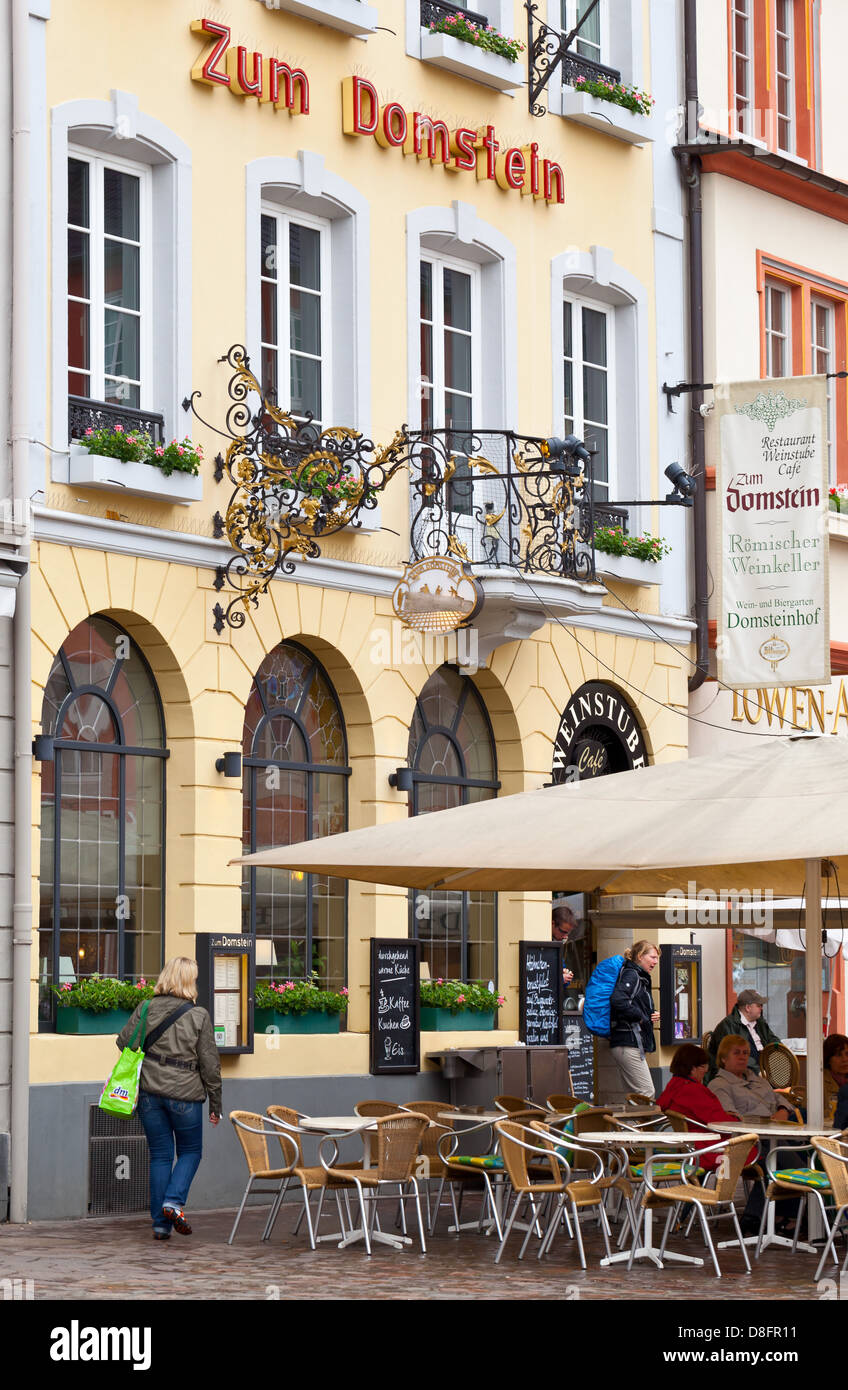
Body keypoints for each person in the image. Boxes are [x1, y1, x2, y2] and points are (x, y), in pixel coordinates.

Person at [116, 957, 222, 1241]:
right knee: (190, 1152)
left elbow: (124, 1042)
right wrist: (216, 1104)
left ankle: (160, 1226)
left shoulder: (146, 1007)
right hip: (185, 1096)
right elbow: (210, 1064)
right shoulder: (198, 1015)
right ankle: (173, 1202)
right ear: (189, 981)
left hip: (149, 1094)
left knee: (160, 1156)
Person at [657, 1043, 765, 1233]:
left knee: (769, 1158)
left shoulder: (673, 1086)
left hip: (696, 1148)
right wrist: (736, 1118)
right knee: (769, 1161)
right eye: (703, 1067)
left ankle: (760, 1214)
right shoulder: (693, 1091)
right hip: (714, 1152)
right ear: (693, 1068)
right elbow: (718, 1120)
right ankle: (758, 1216)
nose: (705, 1072)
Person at [609, 939, 660, 1100]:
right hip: (628, 1042)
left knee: (635, 1097)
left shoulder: (637, 976)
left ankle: (630, 1125)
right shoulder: (632, 974)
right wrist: (641, 1017)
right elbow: (618, 1000)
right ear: (639, 956)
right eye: (652, 957)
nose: (656, 962)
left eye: (657, 958)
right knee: (646, 1093)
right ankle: (635, 1126)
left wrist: (651, 1014)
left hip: (628, 1042)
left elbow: (633, 1003)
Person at [708, 1035, 794, 1121]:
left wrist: (783, 1110)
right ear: (723, 1058)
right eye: (736, 1053)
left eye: (745, 1053)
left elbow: (778, 1098)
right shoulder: (719, 1085)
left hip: (783, 1122)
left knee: (806, 1112)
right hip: (757, 1130)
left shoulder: (758, 1080)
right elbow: (731, 1120)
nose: (742, 1057)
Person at [706, 990, 781, 1080]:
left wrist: (779, 1054)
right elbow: (737, 1057)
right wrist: (759, 1072)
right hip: (738, 1077)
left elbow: (773, 1040)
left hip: (763, 1071)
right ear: (748, 1008)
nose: (761, 1008)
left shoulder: (760, 1023)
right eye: (758, 1005)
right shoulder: (728, 1026)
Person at [552, 899, 584, 988]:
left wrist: (565, 975)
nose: (565, 936)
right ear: (552, 924)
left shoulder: (557, 942)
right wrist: (561, 978)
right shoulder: (544, 942)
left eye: (568, 933)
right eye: (563, 932)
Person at [823, 1033, 848, 1121]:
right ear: (828, 1059)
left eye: (847, 1054)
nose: (845, 1059)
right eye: (838, 1055)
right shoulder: (818, 1083)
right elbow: (809, 1114)